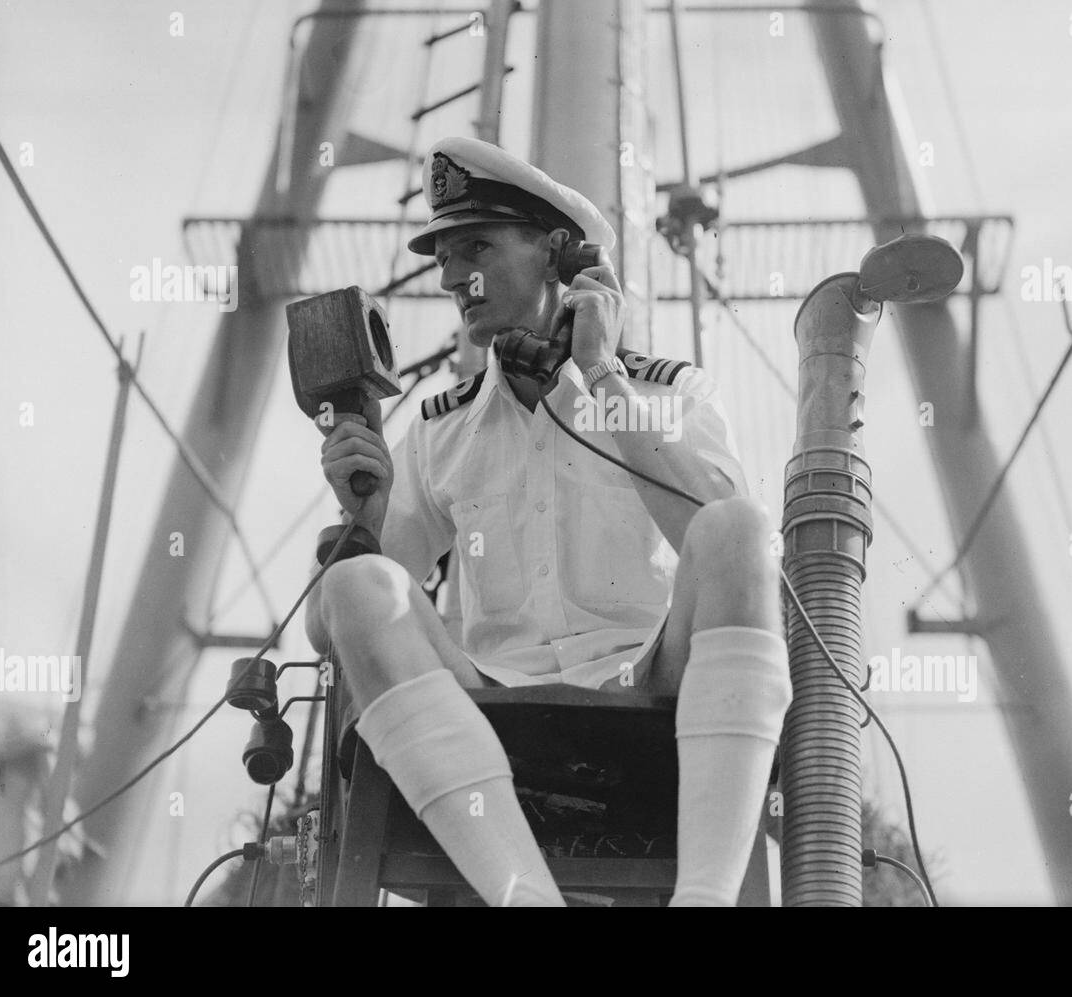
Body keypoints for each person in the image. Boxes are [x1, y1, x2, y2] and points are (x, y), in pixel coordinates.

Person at [304, 136, 791, 907]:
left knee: (738, 526)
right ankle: (524, 898)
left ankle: (706, 900)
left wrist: (604, 375)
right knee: (360, 584)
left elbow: (724, 540)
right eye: (444, 255)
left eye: (477, 246)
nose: (452, 275)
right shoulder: (437, 430)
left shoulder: (668, 393)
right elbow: (334, 631)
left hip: (651, 701)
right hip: (490, 714)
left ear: (560, 255)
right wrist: (359, 516)